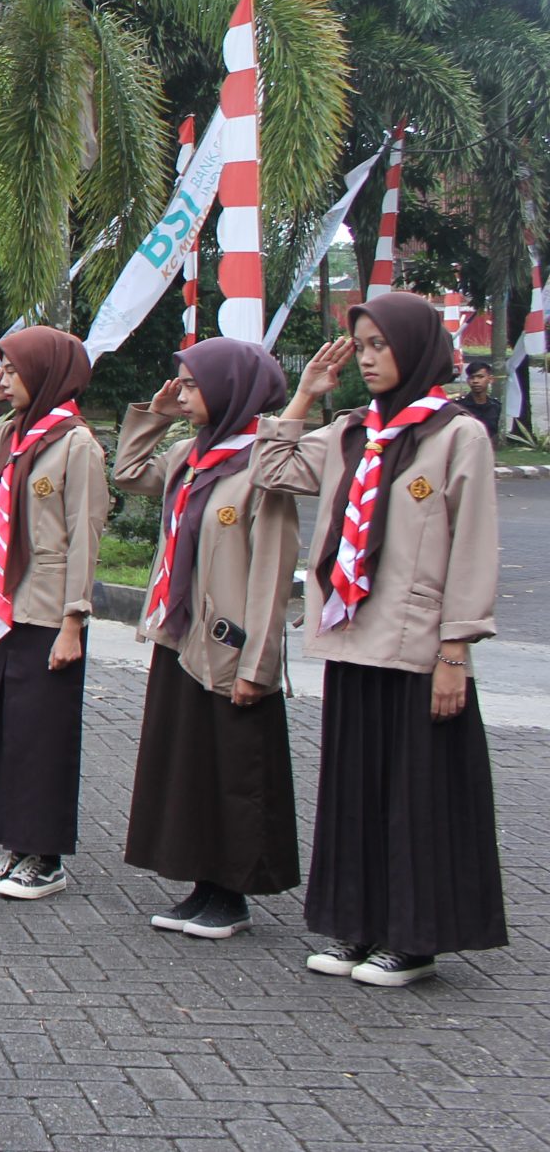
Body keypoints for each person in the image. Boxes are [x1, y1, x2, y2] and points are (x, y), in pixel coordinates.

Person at [255, 294, 505, 987]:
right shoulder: (349, 433)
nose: (365, 358)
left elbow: (472, 549)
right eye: (358, 345)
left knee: (414, 795)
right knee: (355, 789)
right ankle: (355, 923)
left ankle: (412, 938)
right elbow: (273, 470)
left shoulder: (456, 436)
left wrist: (456, 651)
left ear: (416, 348)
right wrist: (304, 393)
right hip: (352, 637)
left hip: (419, 645)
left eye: (378, 345)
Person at [113, 338, 303, 942]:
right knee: (189, 764)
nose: (185, 394)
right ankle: (201, 882)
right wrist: (158, 416)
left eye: (194, 386)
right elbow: (128, 474)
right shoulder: (191, 455)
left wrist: (259, 663)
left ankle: (232, 892)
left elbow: (273, 571)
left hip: (232, 647)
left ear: (230, 389)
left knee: (234, 768)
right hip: (182, 637)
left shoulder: (259, 467)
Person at [0, 325, 108, 902]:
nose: (4, 378)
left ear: (48, 372)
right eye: (2, 369)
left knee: (41, 736)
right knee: (2, 727)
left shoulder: (75, 444)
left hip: (45, 613)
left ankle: (45, 856)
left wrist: (74, 622)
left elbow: (85, 536)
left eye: (12, 369)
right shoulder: (9, 435)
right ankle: (13, 845)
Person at [458, 364, 502, 439]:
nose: (475, 381)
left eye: (480, 377)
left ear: (490, 379)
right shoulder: (459, 406)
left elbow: (493, 433)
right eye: (472, 377)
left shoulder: (495, 406)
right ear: (468, 381)